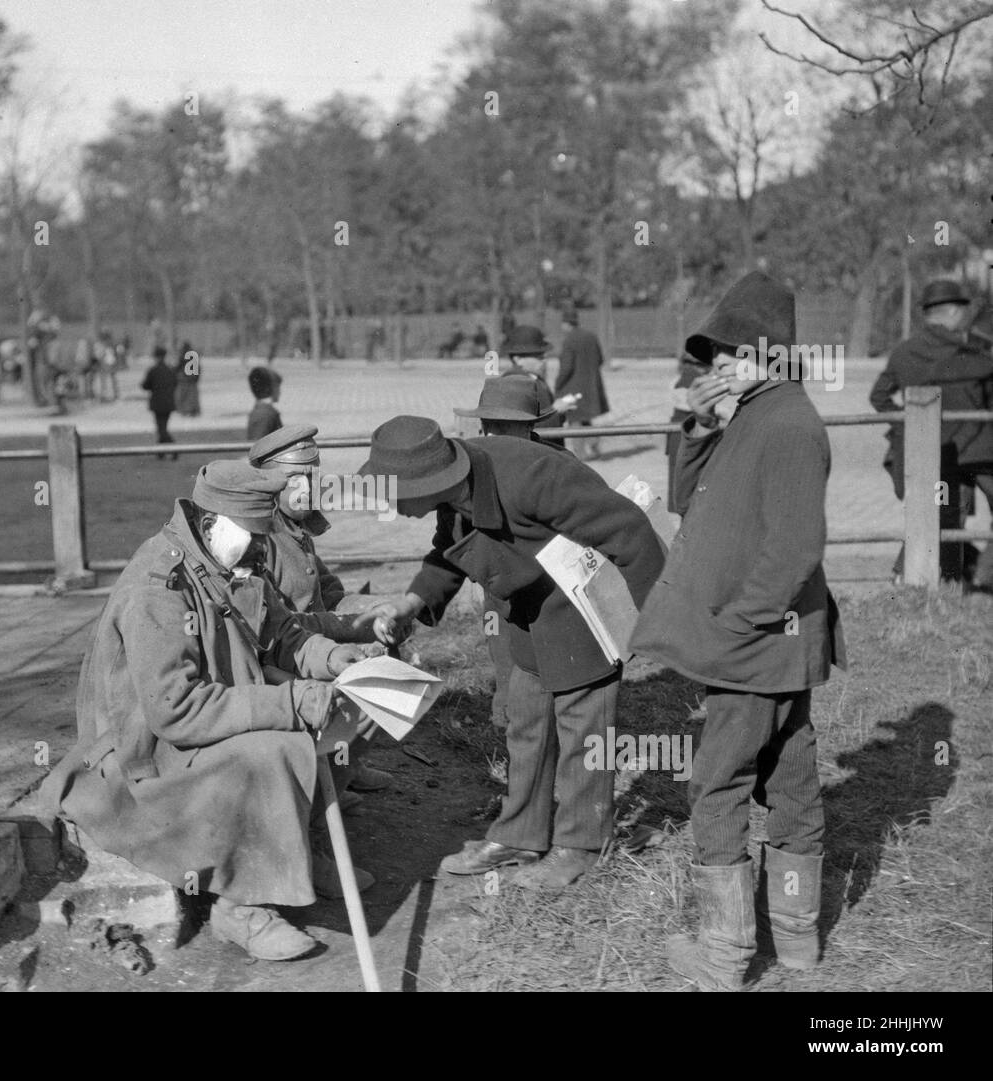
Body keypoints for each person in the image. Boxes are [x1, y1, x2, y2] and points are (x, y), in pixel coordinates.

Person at [37, 461, 371, 962]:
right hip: (152, 751)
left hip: (212, 708)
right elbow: (177, 711)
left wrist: (329, 657)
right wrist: (291, 701)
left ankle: (306, 841)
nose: (263, 550)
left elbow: (279, 633)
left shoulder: (228, 556)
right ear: (213, 522)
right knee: (275, 750)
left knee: (354, 706)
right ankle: (238, 906)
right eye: (256, 538)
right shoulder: (158, 589)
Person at [630, 271, 847, 992]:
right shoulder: (755, 413)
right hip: (774, 646)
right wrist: (696, 423)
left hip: (757, 648)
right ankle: (795, 942)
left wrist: (740, 621)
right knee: (789, 778)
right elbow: (689, 496)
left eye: (732, 351)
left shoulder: (786, 423)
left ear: (775, 354)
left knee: (719, 781)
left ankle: (722, 955)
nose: (717, 363)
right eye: (713, 352)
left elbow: (793, 548)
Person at [361, 415, 665, 890]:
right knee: (527, 723)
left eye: (393, 494)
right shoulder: (455, 488)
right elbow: (449, 550)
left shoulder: (533, 478)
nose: (388, 505)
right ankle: (521, 834)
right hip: (526, 613)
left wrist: (652, 623)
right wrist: (411, 601)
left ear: (429, 481)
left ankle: (582, 846)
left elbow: (629, 530)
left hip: (582, 614)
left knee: (584, 730)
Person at [248, 426, 395, 801]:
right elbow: (274, 626)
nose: (307, 488)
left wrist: (367, 613)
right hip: (279, 658)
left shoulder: (294, 526)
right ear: (269, 483)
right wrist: (349, 628)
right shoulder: (259, 537)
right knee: (368, 681)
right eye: (294, 479)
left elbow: (326, 590)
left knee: (389, 651)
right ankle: (320, 788)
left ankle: (344, 765)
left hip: (311, 645)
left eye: (313, 476)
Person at [457, 376, 567, 728]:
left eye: (506, 427)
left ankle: (554, 720)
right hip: (500, 586)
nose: (493, 437)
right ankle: (507, 713)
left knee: (551, 661)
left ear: (530, 427)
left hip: (552, 586)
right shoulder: (473, 468)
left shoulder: (558, 464)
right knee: (503, 649)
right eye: (488, 426)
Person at [869, 279, 993, 584]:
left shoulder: (903, 352)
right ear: (953, 312)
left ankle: (928, 576)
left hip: (930, 451)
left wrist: (908, 425)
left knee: (942, 512)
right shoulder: (973, 354)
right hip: (976, 450)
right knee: (951, 513)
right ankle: (982, 577)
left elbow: (879, 397)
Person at [554, 306, 611, 459]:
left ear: (566, 323)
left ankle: (581, 455)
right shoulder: (591, 336)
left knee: (574, 420)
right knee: (585, 417)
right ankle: (594, 443)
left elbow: (566, 368)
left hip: (573, 387)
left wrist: (557, 385)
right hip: (591, 386)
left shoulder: (569, 340)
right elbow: (600, 360)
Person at [665, 351, 713, 515]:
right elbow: (689, 405)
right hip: (690, 432)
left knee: (680, 476)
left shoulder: (678, 380)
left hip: (678, 433)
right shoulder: (693, 382)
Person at [496, 325, 561, 431]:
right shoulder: (514, 383)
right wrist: (556, 411)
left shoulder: (535, 378)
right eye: (538, 357)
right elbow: (521, 426)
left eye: (544, 356)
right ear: (518, 359)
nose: (544, 361)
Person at [142, 346, 178, 460]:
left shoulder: (153, 370)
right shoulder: (170, 369)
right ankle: (160, 452)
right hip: (168, 402)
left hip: (157, 403)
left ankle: (174, 449)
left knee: (161, 428)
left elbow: (145, 385)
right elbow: (175, 383)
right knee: (163, 427)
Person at [247, 365, 283, 440]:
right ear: (269, 388)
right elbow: (257, 444)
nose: (280, 392)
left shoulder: (264, 411)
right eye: (277, 387)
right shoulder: (265, 414)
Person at [175, 340, 202, 417]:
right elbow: (198, 368)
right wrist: (196, 378)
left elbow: (179, 367)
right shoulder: (193, 355)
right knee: (192, 397)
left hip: (185, 379)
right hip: (192, 379)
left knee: (184, 396)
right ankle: (193, 410)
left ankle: (186, 410)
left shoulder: (184, 356)